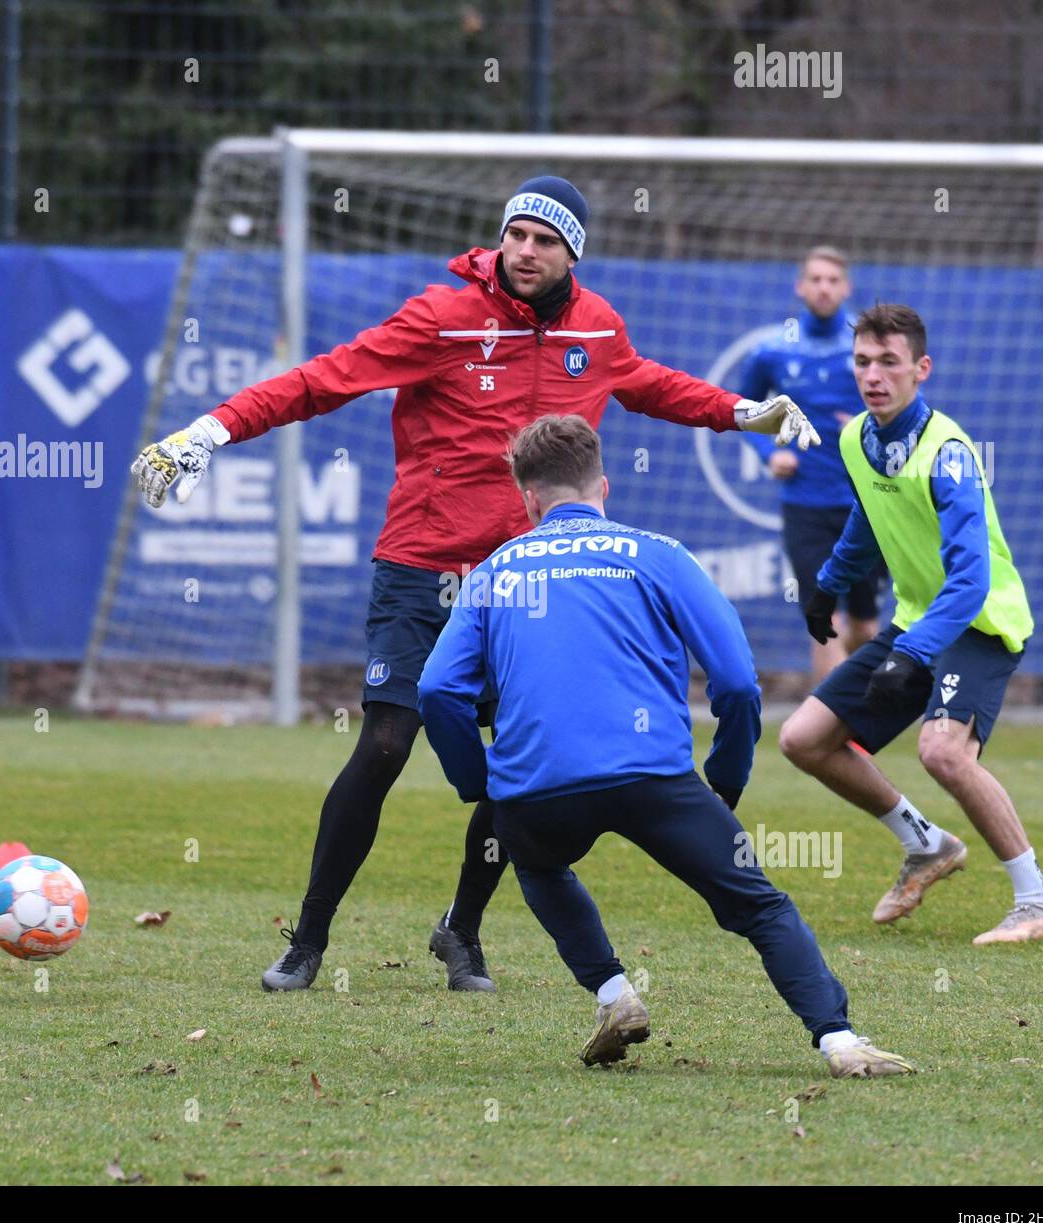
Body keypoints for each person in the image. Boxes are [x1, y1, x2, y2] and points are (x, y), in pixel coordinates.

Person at [130, 176, 820, 993]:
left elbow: (650, 383)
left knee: (517, 767)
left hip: (522, 585)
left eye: (545, 240)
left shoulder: (597, 326)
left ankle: (462, 930)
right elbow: (326, 378)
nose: (525, 251)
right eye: (516, 235)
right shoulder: (442, 316)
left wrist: (744, 412)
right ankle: (308, 939)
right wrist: (212, 429)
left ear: (573, 254)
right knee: (386, 745)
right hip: (421, 565)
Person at [418, 413, 912, 1078]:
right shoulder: (659, 554)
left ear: (528, 499)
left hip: (537, 791)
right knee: (760, 906)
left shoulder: (492, 572)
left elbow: (438, 692)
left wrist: (475, 780)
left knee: (537, 867)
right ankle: (839, 1040)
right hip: (654, 779)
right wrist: (725, 779)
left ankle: (613, 993)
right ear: (605, 488)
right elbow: (737, 683)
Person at [778, 304, 1043, 944]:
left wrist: (912, 653)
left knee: (941, 751)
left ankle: (1038, 905)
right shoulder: (857, 438)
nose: (873, 375)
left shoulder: (949, 454)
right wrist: (826, 588)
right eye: (862, 362)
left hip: (980, 622)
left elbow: (972, 582)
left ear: (921, 369)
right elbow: (865, 523)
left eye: (889, 362)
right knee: (803, 738)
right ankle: (926, 844)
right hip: (919, 622)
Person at [739, 246, 888, 680]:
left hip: (865, 502)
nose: (824, 288)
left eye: (833, 280)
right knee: (824, 616)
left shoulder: (869, 349)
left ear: (847, 288)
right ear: (800, 287)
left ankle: (858, 701)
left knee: (864, 624)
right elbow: (744, 410)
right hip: (804, 505)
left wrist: (866, 429)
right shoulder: (772, 351)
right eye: (816, 279)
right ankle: (828, 727)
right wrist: (771, 453)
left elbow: (899, 408)